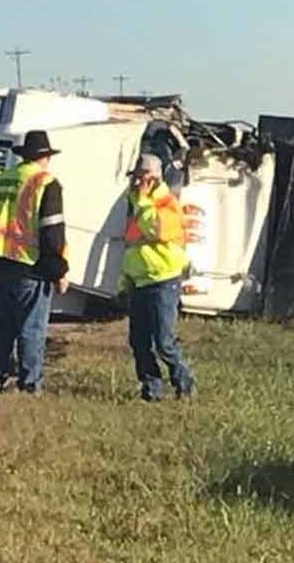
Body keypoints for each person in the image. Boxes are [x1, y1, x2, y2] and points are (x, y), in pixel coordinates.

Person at [0, 130, 69, 396]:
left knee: (3, 327)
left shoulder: (4, 179)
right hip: (28, 264)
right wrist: (58, 270)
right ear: (45, 157)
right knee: (32, 328)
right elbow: (52, 231)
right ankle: (30, 384)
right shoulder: (45, 182)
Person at [118, 153, 196, 402]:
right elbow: (131, 245)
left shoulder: (167, 203)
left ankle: (184, 383)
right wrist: (125, 279)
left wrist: (142, 201)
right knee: (139, 342)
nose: (136, 182)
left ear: (154, 178)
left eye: (141, 177)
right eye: (135, 177)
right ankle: (152, 390)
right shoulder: (136, 203)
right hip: (139, 281)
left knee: (164, 342)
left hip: (164, 280)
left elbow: (155, 230)